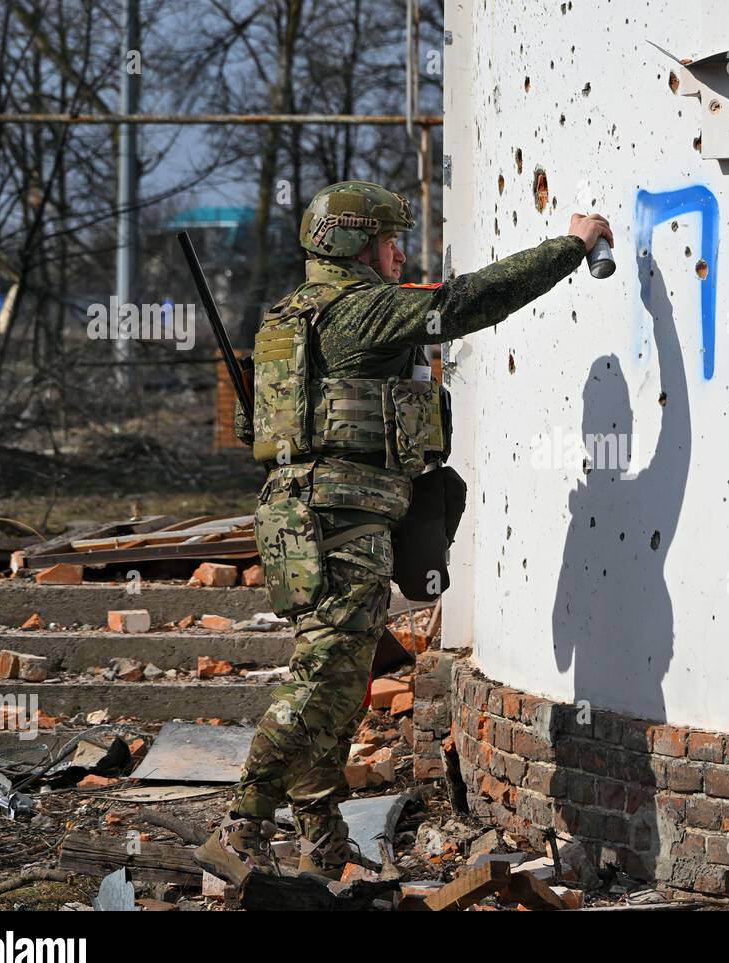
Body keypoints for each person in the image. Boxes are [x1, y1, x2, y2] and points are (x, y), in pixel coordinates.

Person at [194, 179, 613, 884]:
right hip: (338, 521)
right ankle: (241, 825)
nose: (399, 254)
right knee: (322, 682)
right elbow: (461, 304)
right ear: (357, 243)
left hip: (307, 519)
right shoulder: (359, 312)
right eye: (390, 241)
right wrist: (570, 247)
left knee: (340, 680)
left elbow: (253, 429)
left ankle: (321, 837)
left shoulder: (284, 319)